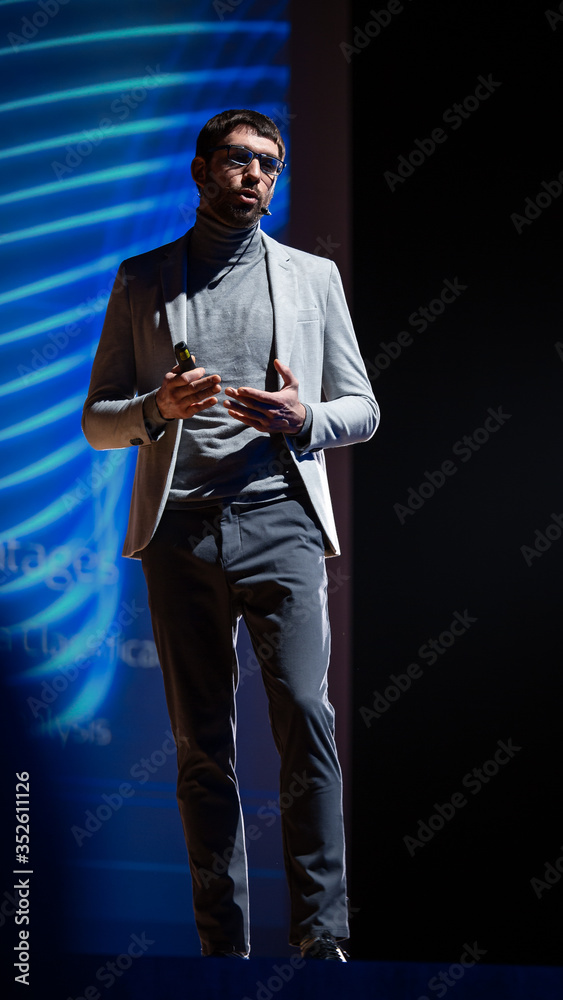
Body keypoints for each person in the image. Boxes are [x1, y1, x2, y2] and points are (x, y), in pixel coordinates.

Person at [82, 109, 379, 961]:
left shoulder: (311, 277)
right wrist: (154, 409)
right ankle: (224, 955)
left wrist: (305, 415)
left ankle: (321, 942)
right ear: (202, 168)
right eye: (241, 161)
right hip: (181, 531)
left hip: (280, 520)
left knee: (304, 718)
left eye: (270, 165)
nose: (256, 176)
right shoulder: (142, 280)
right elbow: (98, 422)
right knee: (201, 747)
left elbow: (362, 407)